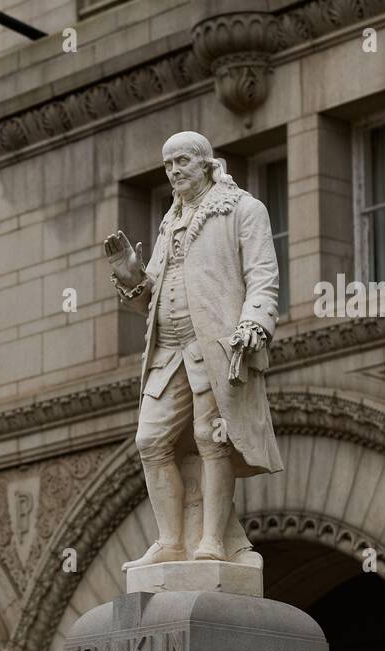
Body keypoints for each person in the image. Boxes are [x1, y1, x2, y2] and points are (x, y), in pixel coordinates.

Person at [103, 130, 284, 565]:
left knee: (211, 438)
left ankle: (214, 543)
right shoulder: (169, 222)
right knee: (151, 440)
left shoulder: (242, 209)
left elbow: (264, 276)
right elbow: (154, 297)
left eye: (182, 161)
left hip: (216, 348)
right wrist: (132, 278)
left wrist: (254, 322)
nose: (174, 171)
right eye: (168, 165)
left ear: (206, 163)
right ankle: (171, 541)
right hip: (168, 352)